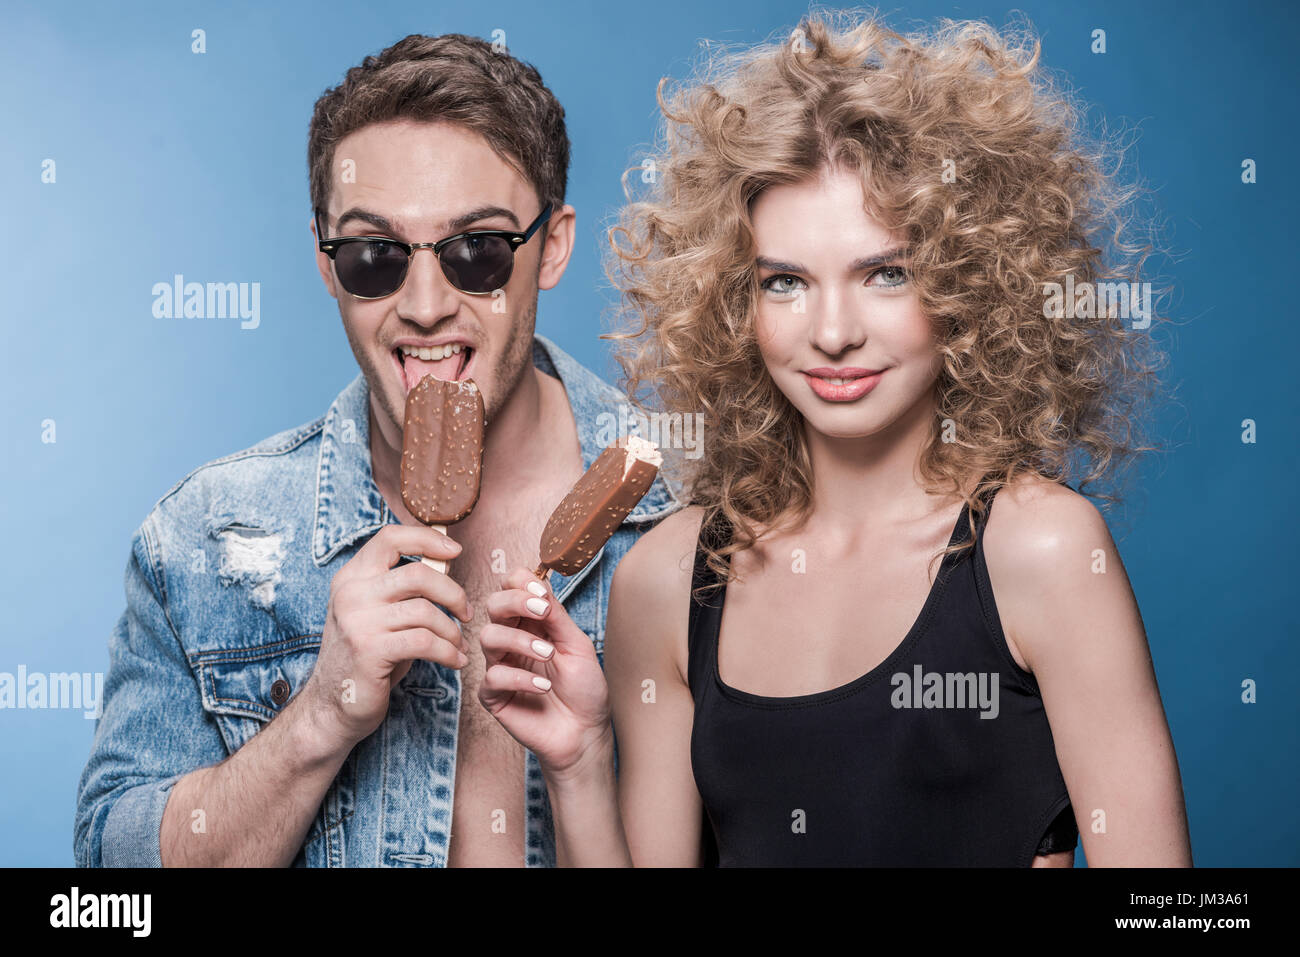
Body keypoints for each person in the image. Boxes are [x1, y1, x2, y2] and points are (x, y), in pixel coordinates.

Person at [477, 13, 1194, 866]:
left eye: (886, 273)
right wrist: (579, 758)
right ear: (735, 303)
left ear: (970, 279)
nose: (832, 331)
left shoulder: (1039, 551)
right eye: (785, 282)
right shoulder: (667, 579)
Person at [74, 33, 682, 868]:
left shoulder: (699, 517)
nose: (426, 305)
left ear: (555, 245)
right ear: (326, 262)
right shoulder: (203, 541)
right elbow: (110, 894)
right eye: (374, 257)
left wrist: (585, 761)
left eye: (478, 250)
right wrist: (319, 718)